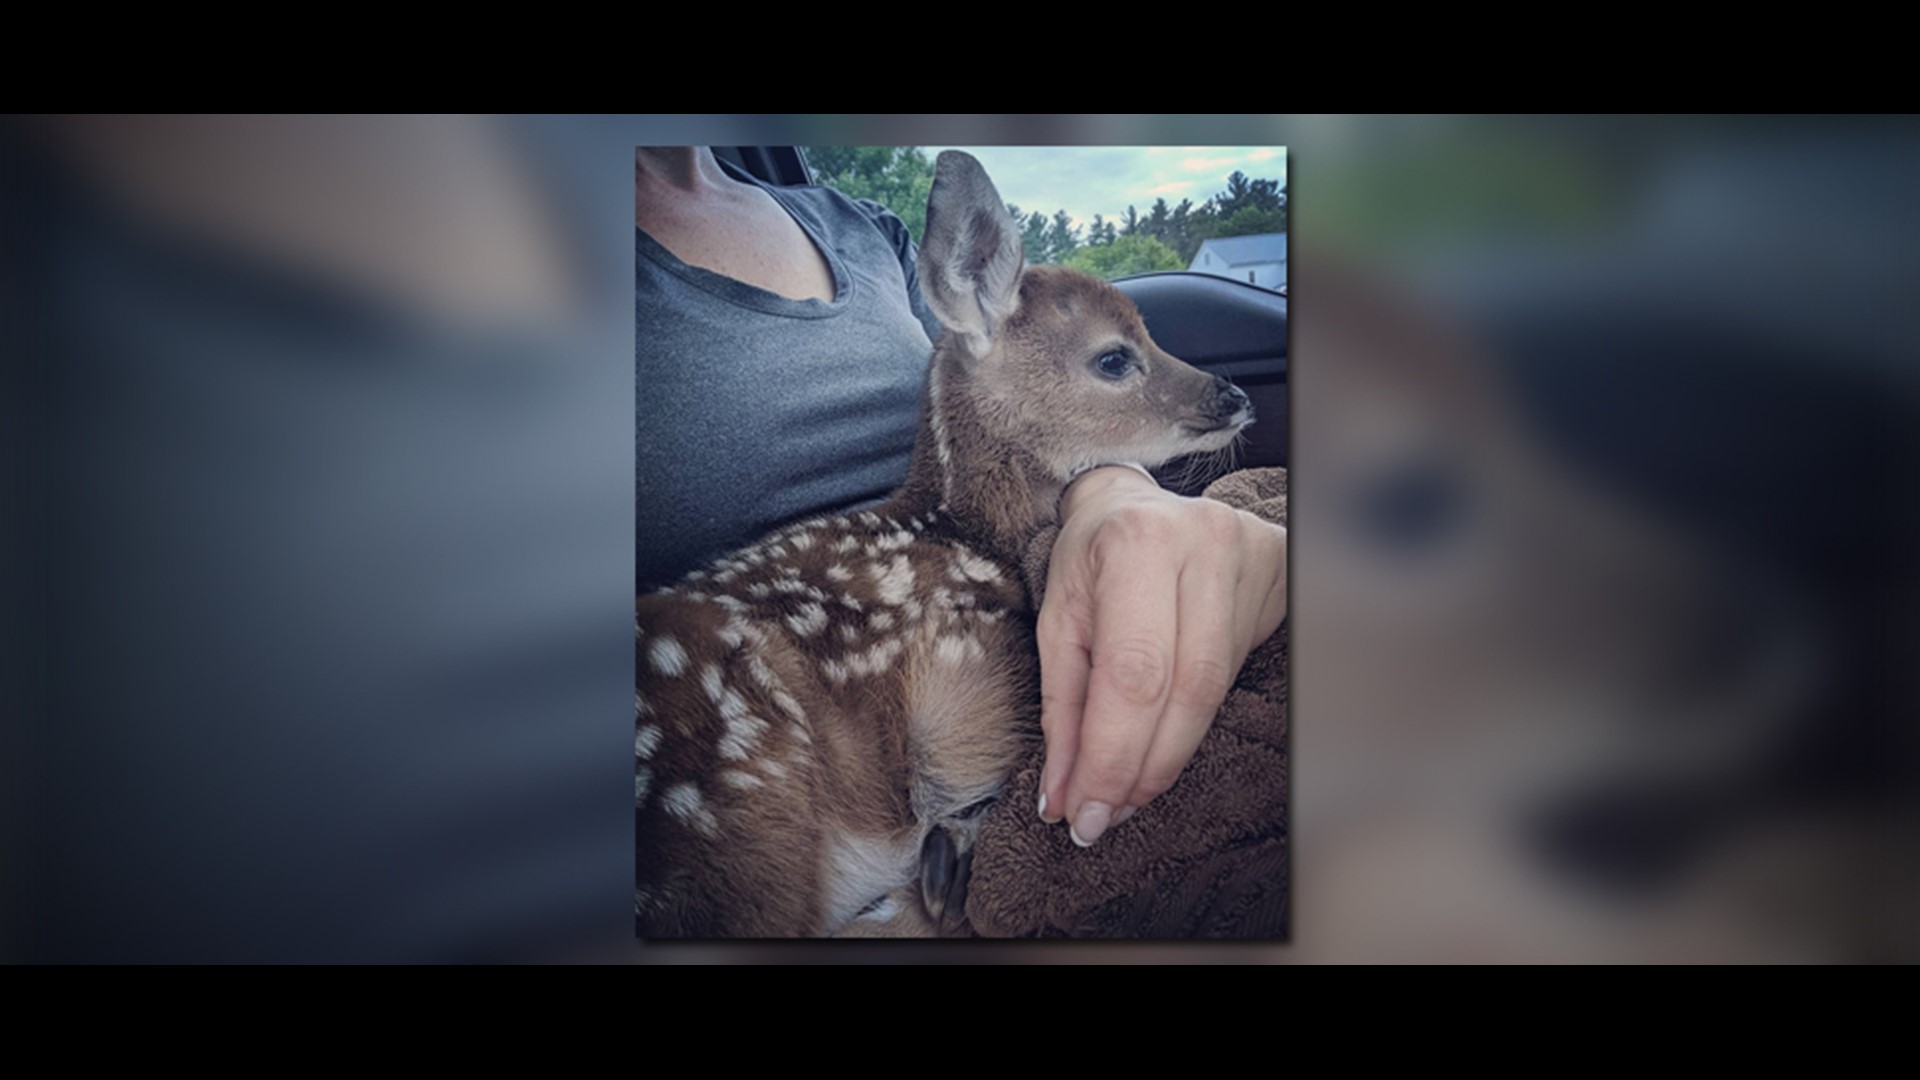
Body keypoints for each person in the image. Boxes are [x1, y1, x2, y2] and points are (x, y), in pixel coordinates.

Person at [637, 147, 1286, 850]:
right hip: (753, 726)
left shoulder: (858, 229)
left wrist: (1115, 496)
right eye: (1116, 363)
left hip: (986, 586)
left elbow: (997, 398)